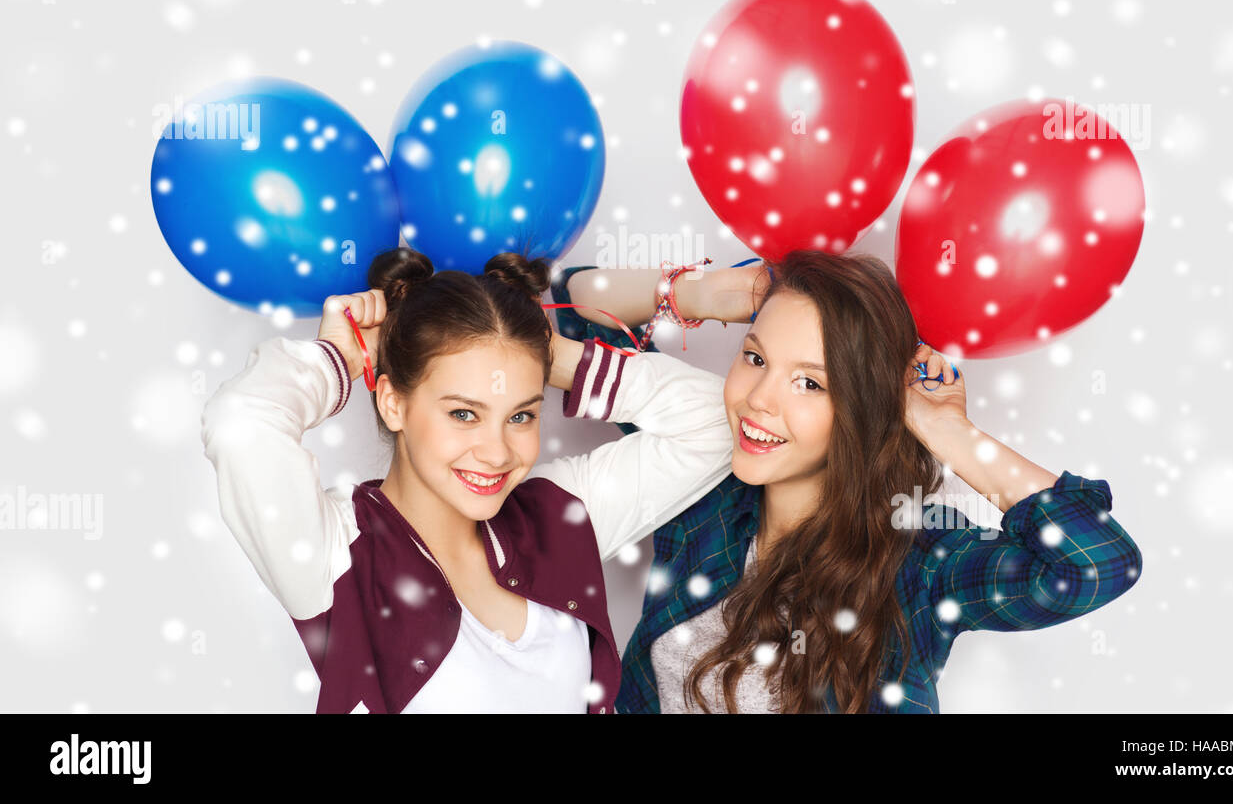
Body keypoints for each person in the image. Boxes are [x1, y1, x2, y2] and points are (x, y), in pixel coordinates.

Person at [550, 249, 1144, 713]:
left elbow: (1095, 564)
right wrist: (697, 292)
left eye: (811, 383)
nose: (758, 402)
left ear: (862, 411)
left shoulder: (919, 565)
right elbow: (568, 311)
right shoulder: (703, 482)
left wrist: (948, 431)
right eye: (755, 358)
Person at [199, 247, 740, 713]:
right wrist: (339, 357)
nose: (497, 452)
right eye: (463, 413)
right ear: (393, 402)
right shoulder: (336, 553)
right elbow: (240, 424)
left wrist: (538, 353)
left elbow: (723, 423)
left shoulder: (560, 514)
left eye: (521, 414)